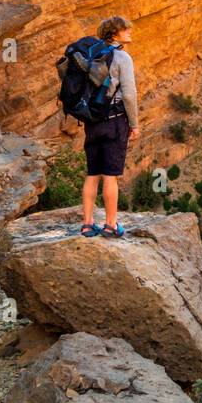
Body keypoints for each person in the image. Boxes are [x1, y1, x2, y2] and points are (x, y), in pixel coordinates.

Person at [80, 16, 139, 238]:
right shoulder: (122, 57)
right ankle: (111, 224)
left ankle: (87, 224)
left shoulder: (90, 54)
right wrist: (134, 124)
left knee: (92, 173)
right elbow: (130, 95)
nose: (130, 32)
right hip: (114, 120)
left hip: (92, 121)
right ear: (115, 33)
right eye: (126, 29)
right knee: (110, 175)